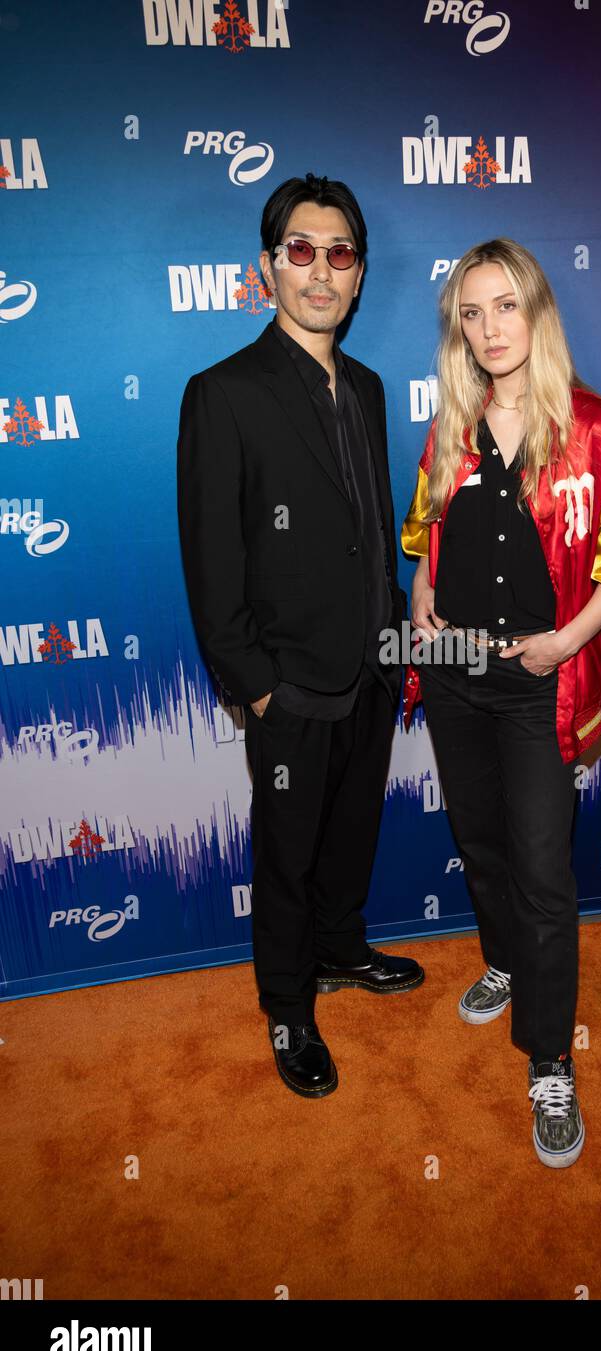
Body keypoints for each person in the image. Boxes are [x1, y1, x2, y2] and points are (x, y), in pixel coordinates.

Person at [400, 238, 601, 1166]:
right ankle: (504, 961)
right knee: (478, 844)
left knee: (542, 870)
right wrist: (421, 605)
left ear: (538, 312)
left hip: (539, 684)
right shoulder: (453, 424)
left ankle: (549, 1056)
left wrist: (563, 643)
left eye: (504, 306)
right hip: (454, 678)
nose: (488, 329)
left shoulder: (595, 427)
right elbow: (424, 536)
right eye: (470, 314)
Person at [177, 172, 423, 1101]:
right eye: (302, 251)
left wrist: (394, 643)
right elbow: (212, 555)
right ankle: (287, 1004)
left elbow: (369, 527)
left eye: (341, 254)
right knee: (285, 852)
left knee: (351, 830)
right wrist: (255, 684)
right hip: (287, 680)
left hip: (370, 665)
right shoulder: (223, 393)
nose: (322, 272)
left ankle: (339, 952)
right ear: (267, 269)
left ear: (359, 276)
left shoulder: (365, 386)